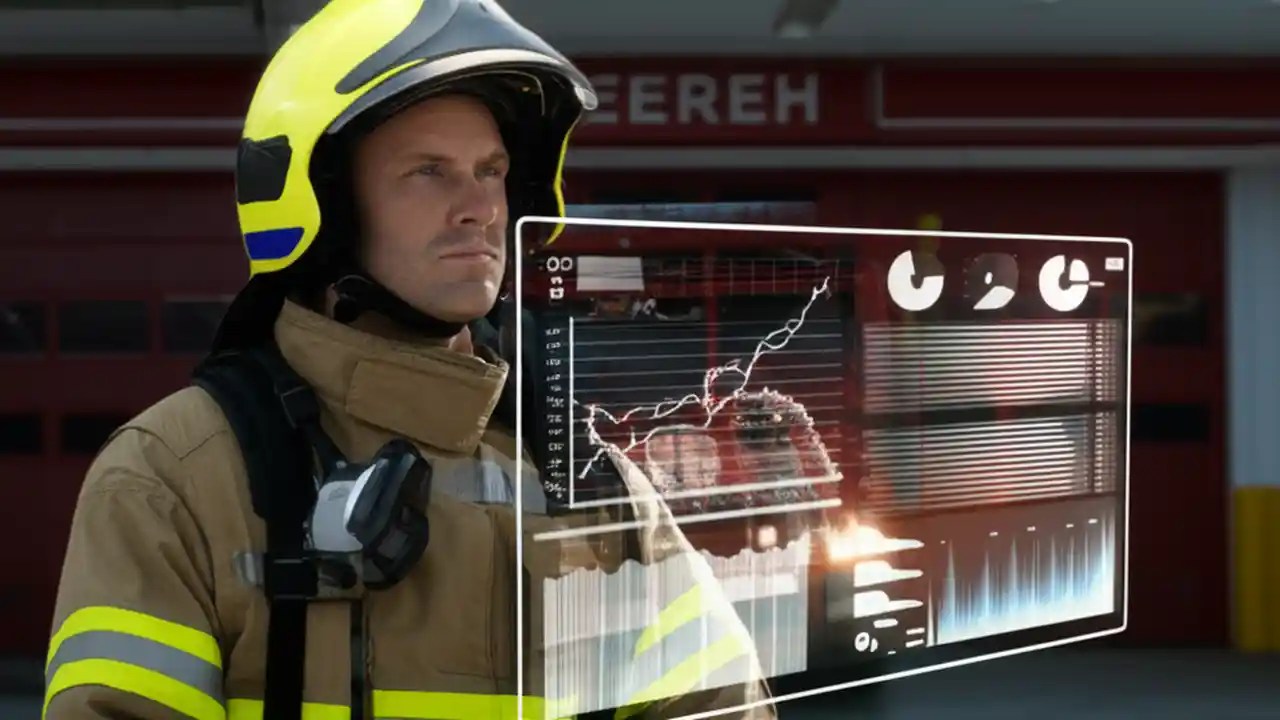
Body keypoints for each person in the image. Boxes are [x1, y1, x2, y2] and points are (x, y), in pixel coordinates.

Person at [42, 1, 778, 718]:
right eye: (430, 171)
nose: (479, 207)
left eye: (490, 171)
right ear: (322, 207)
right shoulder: (174, 479)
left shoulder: (588, 483)